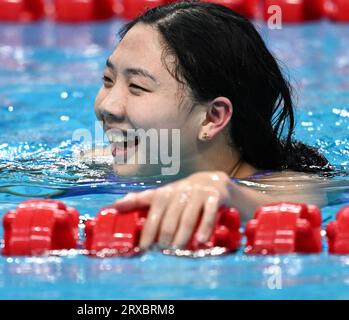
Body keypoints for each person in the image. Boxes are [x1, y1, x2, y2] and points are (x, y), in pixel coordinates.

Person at [91, 2, 332, 251]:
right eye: (108, 80)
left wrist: (224, 190)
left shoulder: (290, 185)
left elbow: (295, 205)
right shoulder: (96, 165)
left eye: (137, 87)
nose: (108, 106)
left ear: (212, 117)